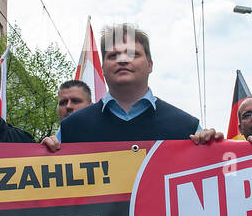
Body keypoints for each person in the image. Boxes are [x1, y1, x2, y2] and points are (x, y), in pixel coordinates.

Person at [57, 25, 202, 142]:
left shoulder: (188, 129)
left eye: (132, 54)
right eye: (113, 55)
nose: (122, 60)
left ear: (150, 65)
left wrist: (211, 148)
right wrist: (45, 153)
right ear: (103, 69)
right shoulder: (69, 130)